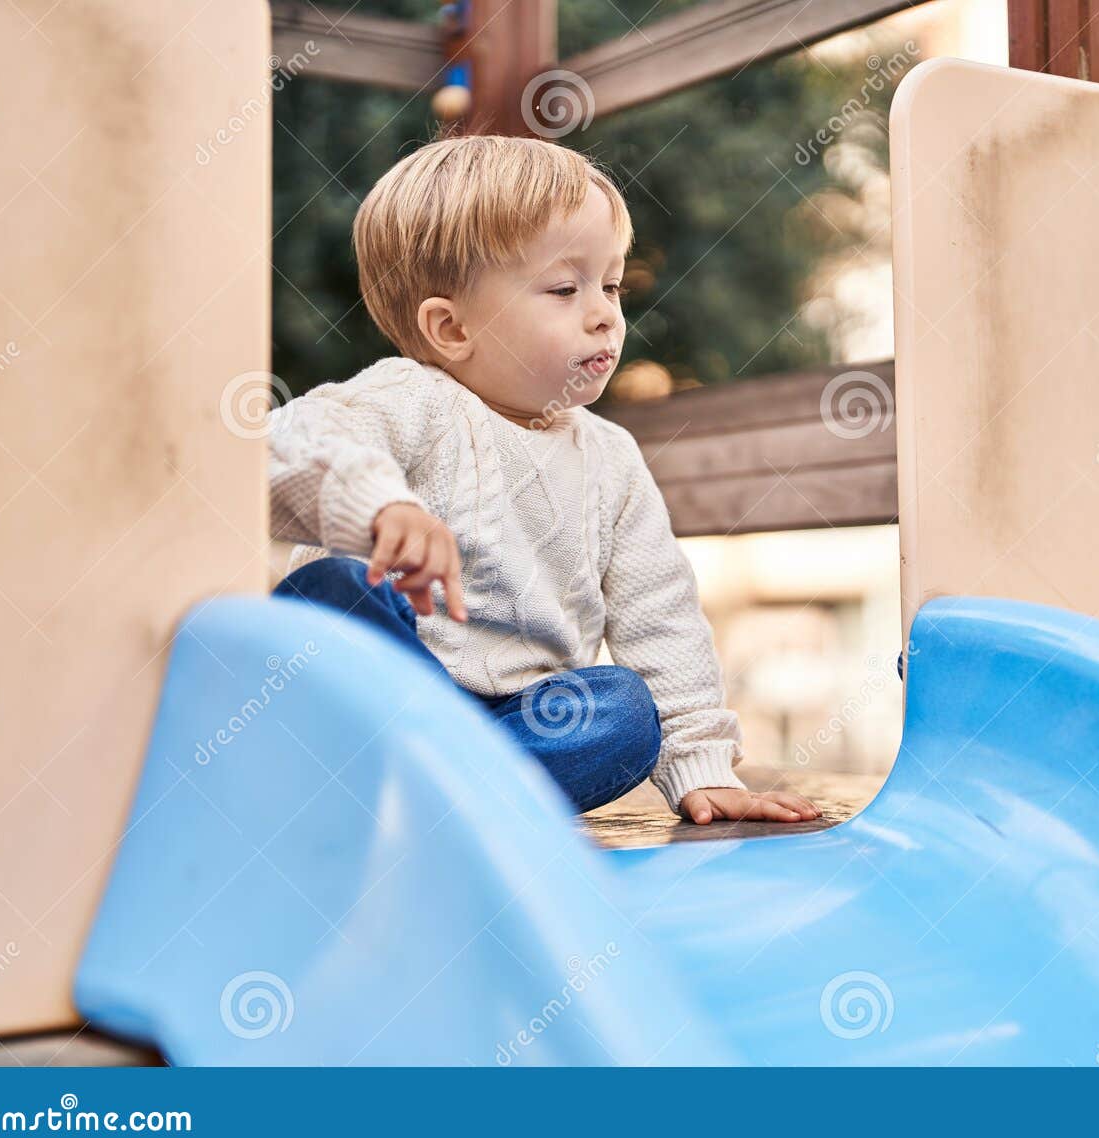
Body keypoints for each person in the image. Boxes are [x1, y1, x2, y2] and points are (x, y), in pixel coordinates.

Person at [268, 133, 819, 827]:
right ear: (450, 327)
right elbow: (290, 442)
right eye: (565, 288)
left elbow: (661, 615)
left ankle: (439, 794)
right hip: (388, 700)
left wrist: (701, 762)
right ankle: (417, 778)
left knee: (623, 710)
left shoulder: (611, 459)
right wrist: (380, 507)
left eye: (611, 284)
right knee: (330, 591)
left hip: (519, 724)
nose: (604, 312)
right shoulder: (413, 399)